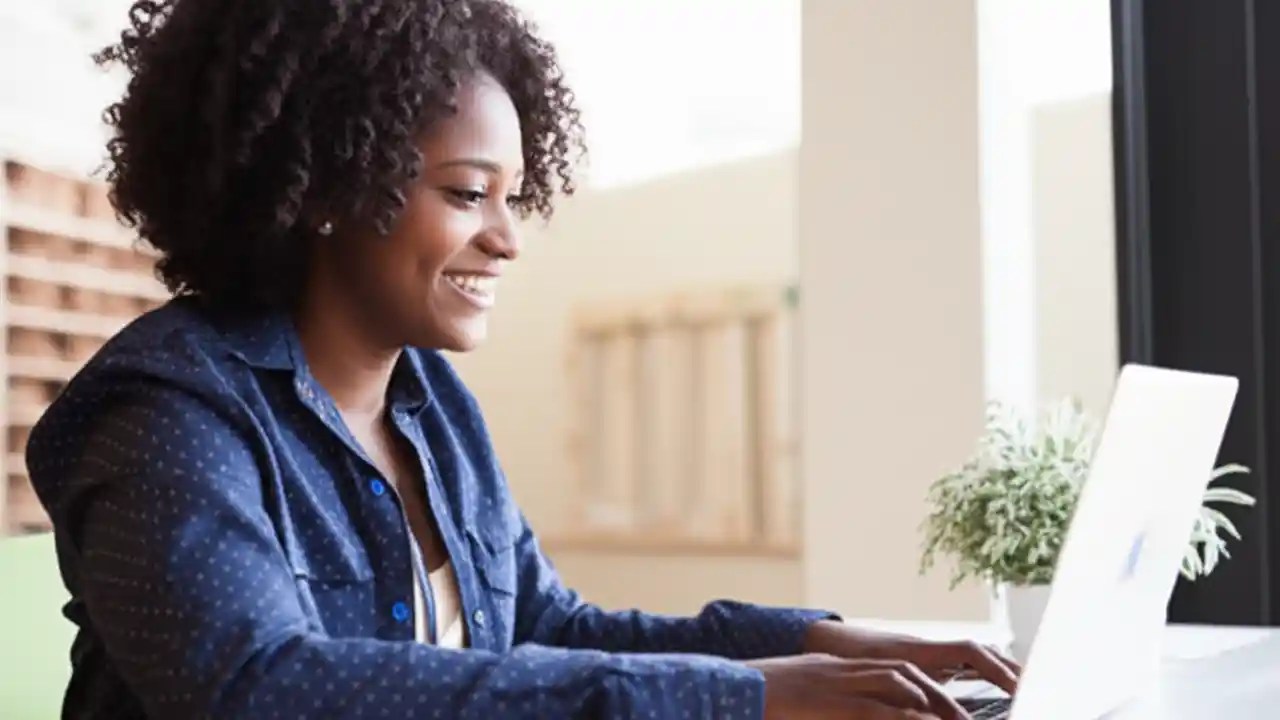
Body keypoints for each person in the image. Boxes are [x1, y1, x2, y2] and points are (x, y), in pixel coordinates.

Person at [27, 1, 1019, 718]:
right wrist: (738, 697)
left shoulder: (431, 406)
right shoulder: (168, 413)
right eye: (467, 194)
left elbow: (544, 623)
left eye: (513, 195)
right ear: (328, 184)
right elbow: (256, 688)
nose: (507, 238)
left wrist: (810, 644)